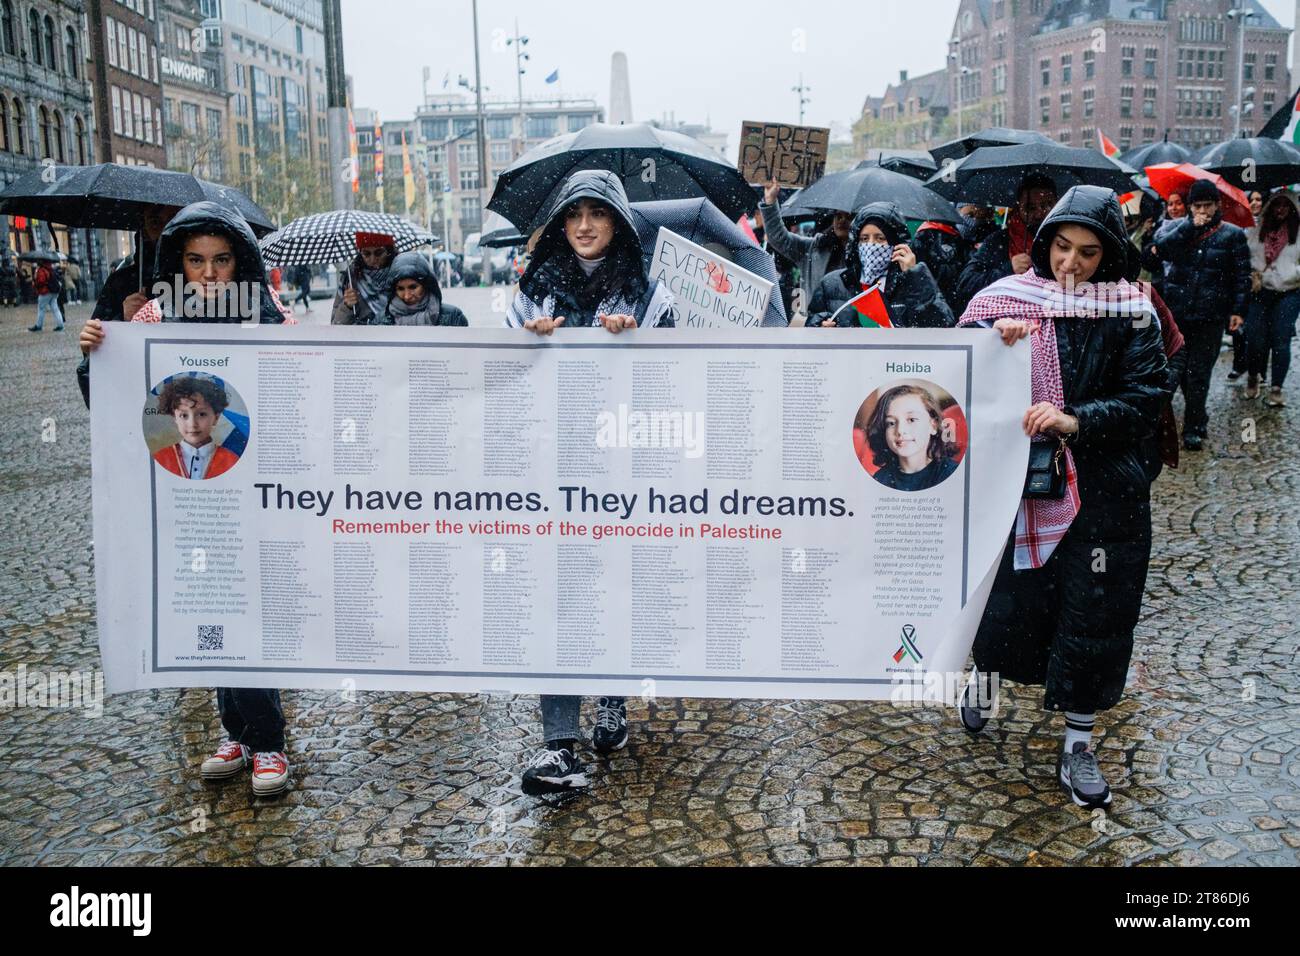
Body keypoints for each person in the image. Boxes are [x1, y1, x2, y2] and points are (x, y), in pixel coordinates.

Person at [957, 186, 1167, 810]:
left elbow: (1147, 398)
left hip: (1105, 492)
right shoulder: (1005, 301)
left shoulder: (1131, 310)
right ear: (1046, 240)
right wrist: (997, 344)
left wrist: (1076, 420)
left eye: (1088, 253)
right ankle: (986, 678)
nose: (1070, 265)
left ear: (1110, 256)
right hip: (1020, 484)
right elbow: (961, 378)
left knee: (1094, 612)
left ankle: (1079, 740)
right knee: (1008, 598)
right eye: (1061, 247)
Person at [78, 201, 295, 796]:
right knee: (208, 608)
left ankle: (268, 739)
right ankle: (238, 730)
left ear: (239, 262)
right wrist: (97, 350)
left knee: (246, 607)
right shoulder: (151, 313)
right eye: (196, 260)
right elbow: (117, 399)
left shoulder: (267, 313)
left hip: (248, 487)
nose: (208, 272)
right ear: (178, 260)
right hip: (184, 492)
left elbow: (300, 387)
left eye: (221, 259)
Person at [507, 169, 674, 796]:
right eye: (573, 214)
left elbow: (678, 376)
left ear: (618, 224)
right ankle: (558, 746)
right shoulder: (531, 292)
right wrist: (525, 343)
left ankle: (612, 696)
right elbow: (500, 380)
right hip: (553, 471)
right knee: (561, 595)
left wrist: (640, 347)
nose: (583, 226)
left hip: (625, 473)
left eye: (597, 215)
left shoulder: (647, 294)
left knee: (616, 588)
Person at [1147, 179, 1251, 450]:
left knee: (1199, 373)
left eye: (1207, 205)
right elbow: (1160, 251)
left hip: (1210, 315)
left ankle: (1193, 427)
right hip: (1178, 311)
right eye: (1197, 206)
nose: (1203, 210)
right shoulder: (1181, 228)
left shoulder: (1232, 235)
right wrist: (1188, 227)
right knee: (1178, 370)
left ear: (1217, 205)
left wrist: (1238, 310)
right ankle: (1197, 412)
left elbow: (1241, 276)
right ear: (1191, 207)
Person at [807, 202, 954, 329]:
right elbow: (812, 328)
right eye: (864, 239)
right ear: (856, 244)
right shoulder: (832, 283)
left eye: (880, 238)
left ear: (896, 243)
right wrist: (819, 324)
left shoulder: (913, 280)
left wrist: (914, 275)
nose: (871, 244)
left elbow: (942, 325)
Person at [953, 173, 1059, 314]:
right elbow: (966, 285)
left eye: (1047, 205)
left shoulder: (1067, 241)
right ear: (1018, 207)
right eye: (1030, 208)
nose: (1040, 213)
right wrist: (1008, 269)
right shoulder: (998, 241)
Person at [758, 179, 852, 318]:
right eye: (838, 216)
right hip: (810, 324)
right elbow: (779, 238)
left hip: (848, 328)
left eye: (848, 217)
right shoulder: (814, 247)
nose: (841, 221)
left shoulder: (865, 254)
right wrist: (770, 201)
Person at [1245, 190, 1300, 407]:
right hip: (1260, 291)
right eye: (1277, 205)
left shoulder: (1297, 232)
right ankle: (1252, 374)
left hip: (1289, 291)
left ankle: (1277, 387)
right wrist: (1254, 272)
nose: (1280, 210)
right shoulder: (1256, 228)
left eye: (1286, 206)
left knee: (1281, 339)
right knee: (1255, 339)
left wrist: (1294, 273)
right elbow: (1247, 254)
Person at [92, 203, 183, 324]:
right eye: (155, 222)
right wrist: (122, 317)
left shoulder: (203, 277)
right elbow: (98, 335)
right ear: (144, 229)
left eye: (173, 220)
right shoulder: (120, 281)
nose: (165, 230)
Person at [861, 384, 959, 491]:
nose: (900, 430)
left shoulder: (950, 473)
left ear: (933, 426)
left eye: (912, 420)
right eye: (891, 423)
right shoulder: (880, 479)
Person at [152, 376, 241, 480]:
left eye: (202, 414)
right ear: (175, 418)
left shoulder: (231, 459)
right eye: (184, 416)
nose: (192, 424)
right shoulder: (161, 457)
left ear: (216, 418)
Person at [380, 252, 468, 326]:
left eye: (413, 287)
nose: (407, 296)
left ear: (426, 285)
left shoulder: (452, 316)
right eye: (400, 289)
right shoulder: (381, 320)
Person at [332, 232, 397, 325]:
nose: (372, 259)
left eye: (378, 253)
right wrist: (347, 307)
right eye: (366, 253)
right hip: (361, 337)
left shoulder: (400, 273)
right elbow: (336, 324)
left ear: (388, 251)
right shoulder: (350, 278)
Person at [27, 258, 65, 333]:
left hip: (45, 292)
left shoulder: (42, 270)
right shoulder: (51, 269)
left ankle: (38, 326)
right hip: (54, 291)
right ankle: (60, 325)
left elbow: (41, 281)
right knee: (55, 309)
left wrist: (35, 283)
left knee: (41, 309)